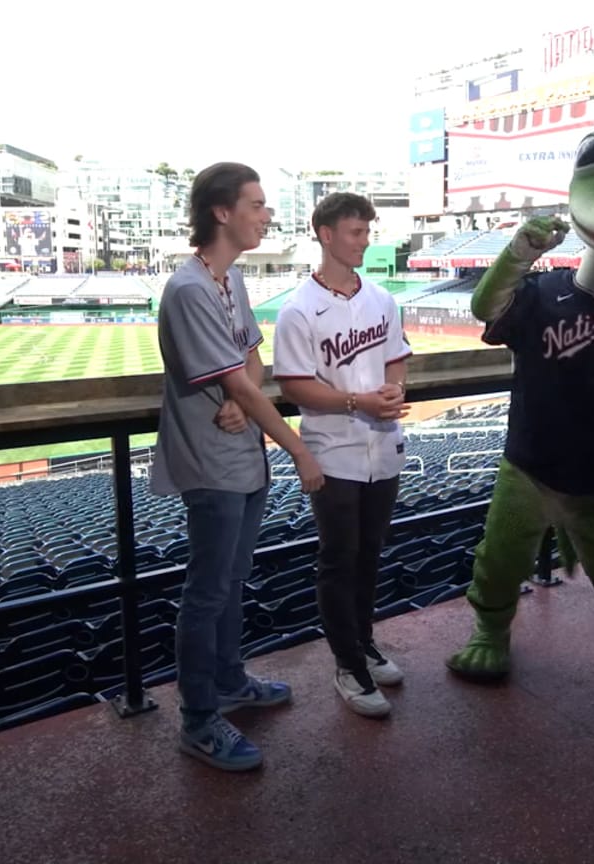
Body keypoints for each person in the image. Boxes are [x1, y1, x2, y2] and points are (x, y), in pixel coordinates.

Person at [149, 161, 326, 772]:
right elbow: (244, 382)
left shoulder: (230, 278)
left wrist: (238, 397)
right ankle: (199, 720)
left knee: (228, 583)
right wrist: (298, 448)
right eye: (256, 203)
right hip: (210, 464)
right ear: (222, 212)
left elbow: (251, 364)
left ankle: (229, 682)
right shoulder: (190, 288)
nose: (266, 214)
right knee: (206, 593)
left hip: (243, 455)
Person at [273, 192, 412, 718]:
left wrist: (395, 389)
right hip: (332, 450)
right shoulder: (298, 309)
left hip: (383, 444)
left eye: (367, 231)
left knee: (371, 553)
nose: (365, 241)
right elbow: (294, 386)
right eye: (356, 232)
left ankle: (364, 643)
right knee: (339, 558)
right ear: (326, 235)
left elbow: (396, 358)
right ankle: (347, 664)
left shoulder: (381, 299)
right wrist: (358, 401)